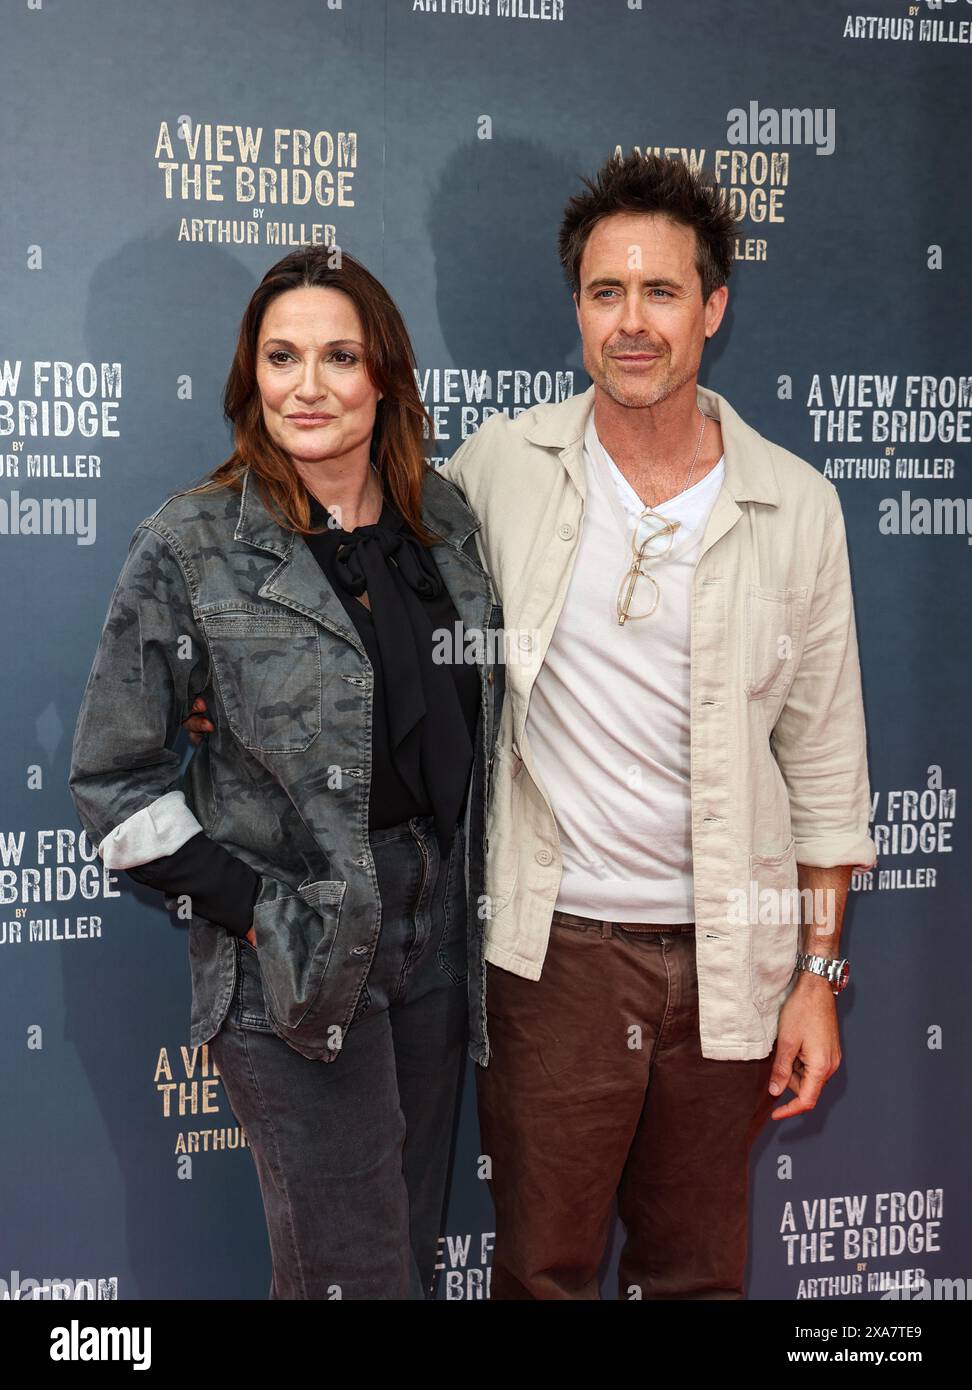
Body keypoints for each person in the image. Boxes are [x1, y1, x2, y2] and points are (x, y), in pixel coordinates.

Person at [185, 151, 879, 1301]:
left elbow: (825, 760)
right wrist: (235, 675)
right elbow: (370, 576)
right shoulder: (503, 467)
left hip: (733, 966)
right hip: (552, 962)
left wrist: (816, 972)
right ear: (579, 310)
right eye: (607, 293)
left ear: (713, 305)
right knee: (542, 1273)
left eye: (663, 291)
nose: (634, 322)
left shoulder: (796, 504)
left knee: (698, 1275)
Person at [68, 246, 504, 1300]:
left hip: (438, 939)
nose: (307, 385)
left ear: (385, 376)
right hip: (302, 953)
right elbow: (112, 780)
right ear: (249, 378)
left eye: (339, 355)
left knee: (401, 1254)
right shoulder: (193, 545)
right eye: (281, 356)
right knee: (348, 1278)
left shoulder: (442, 523)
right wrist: (260, 912)